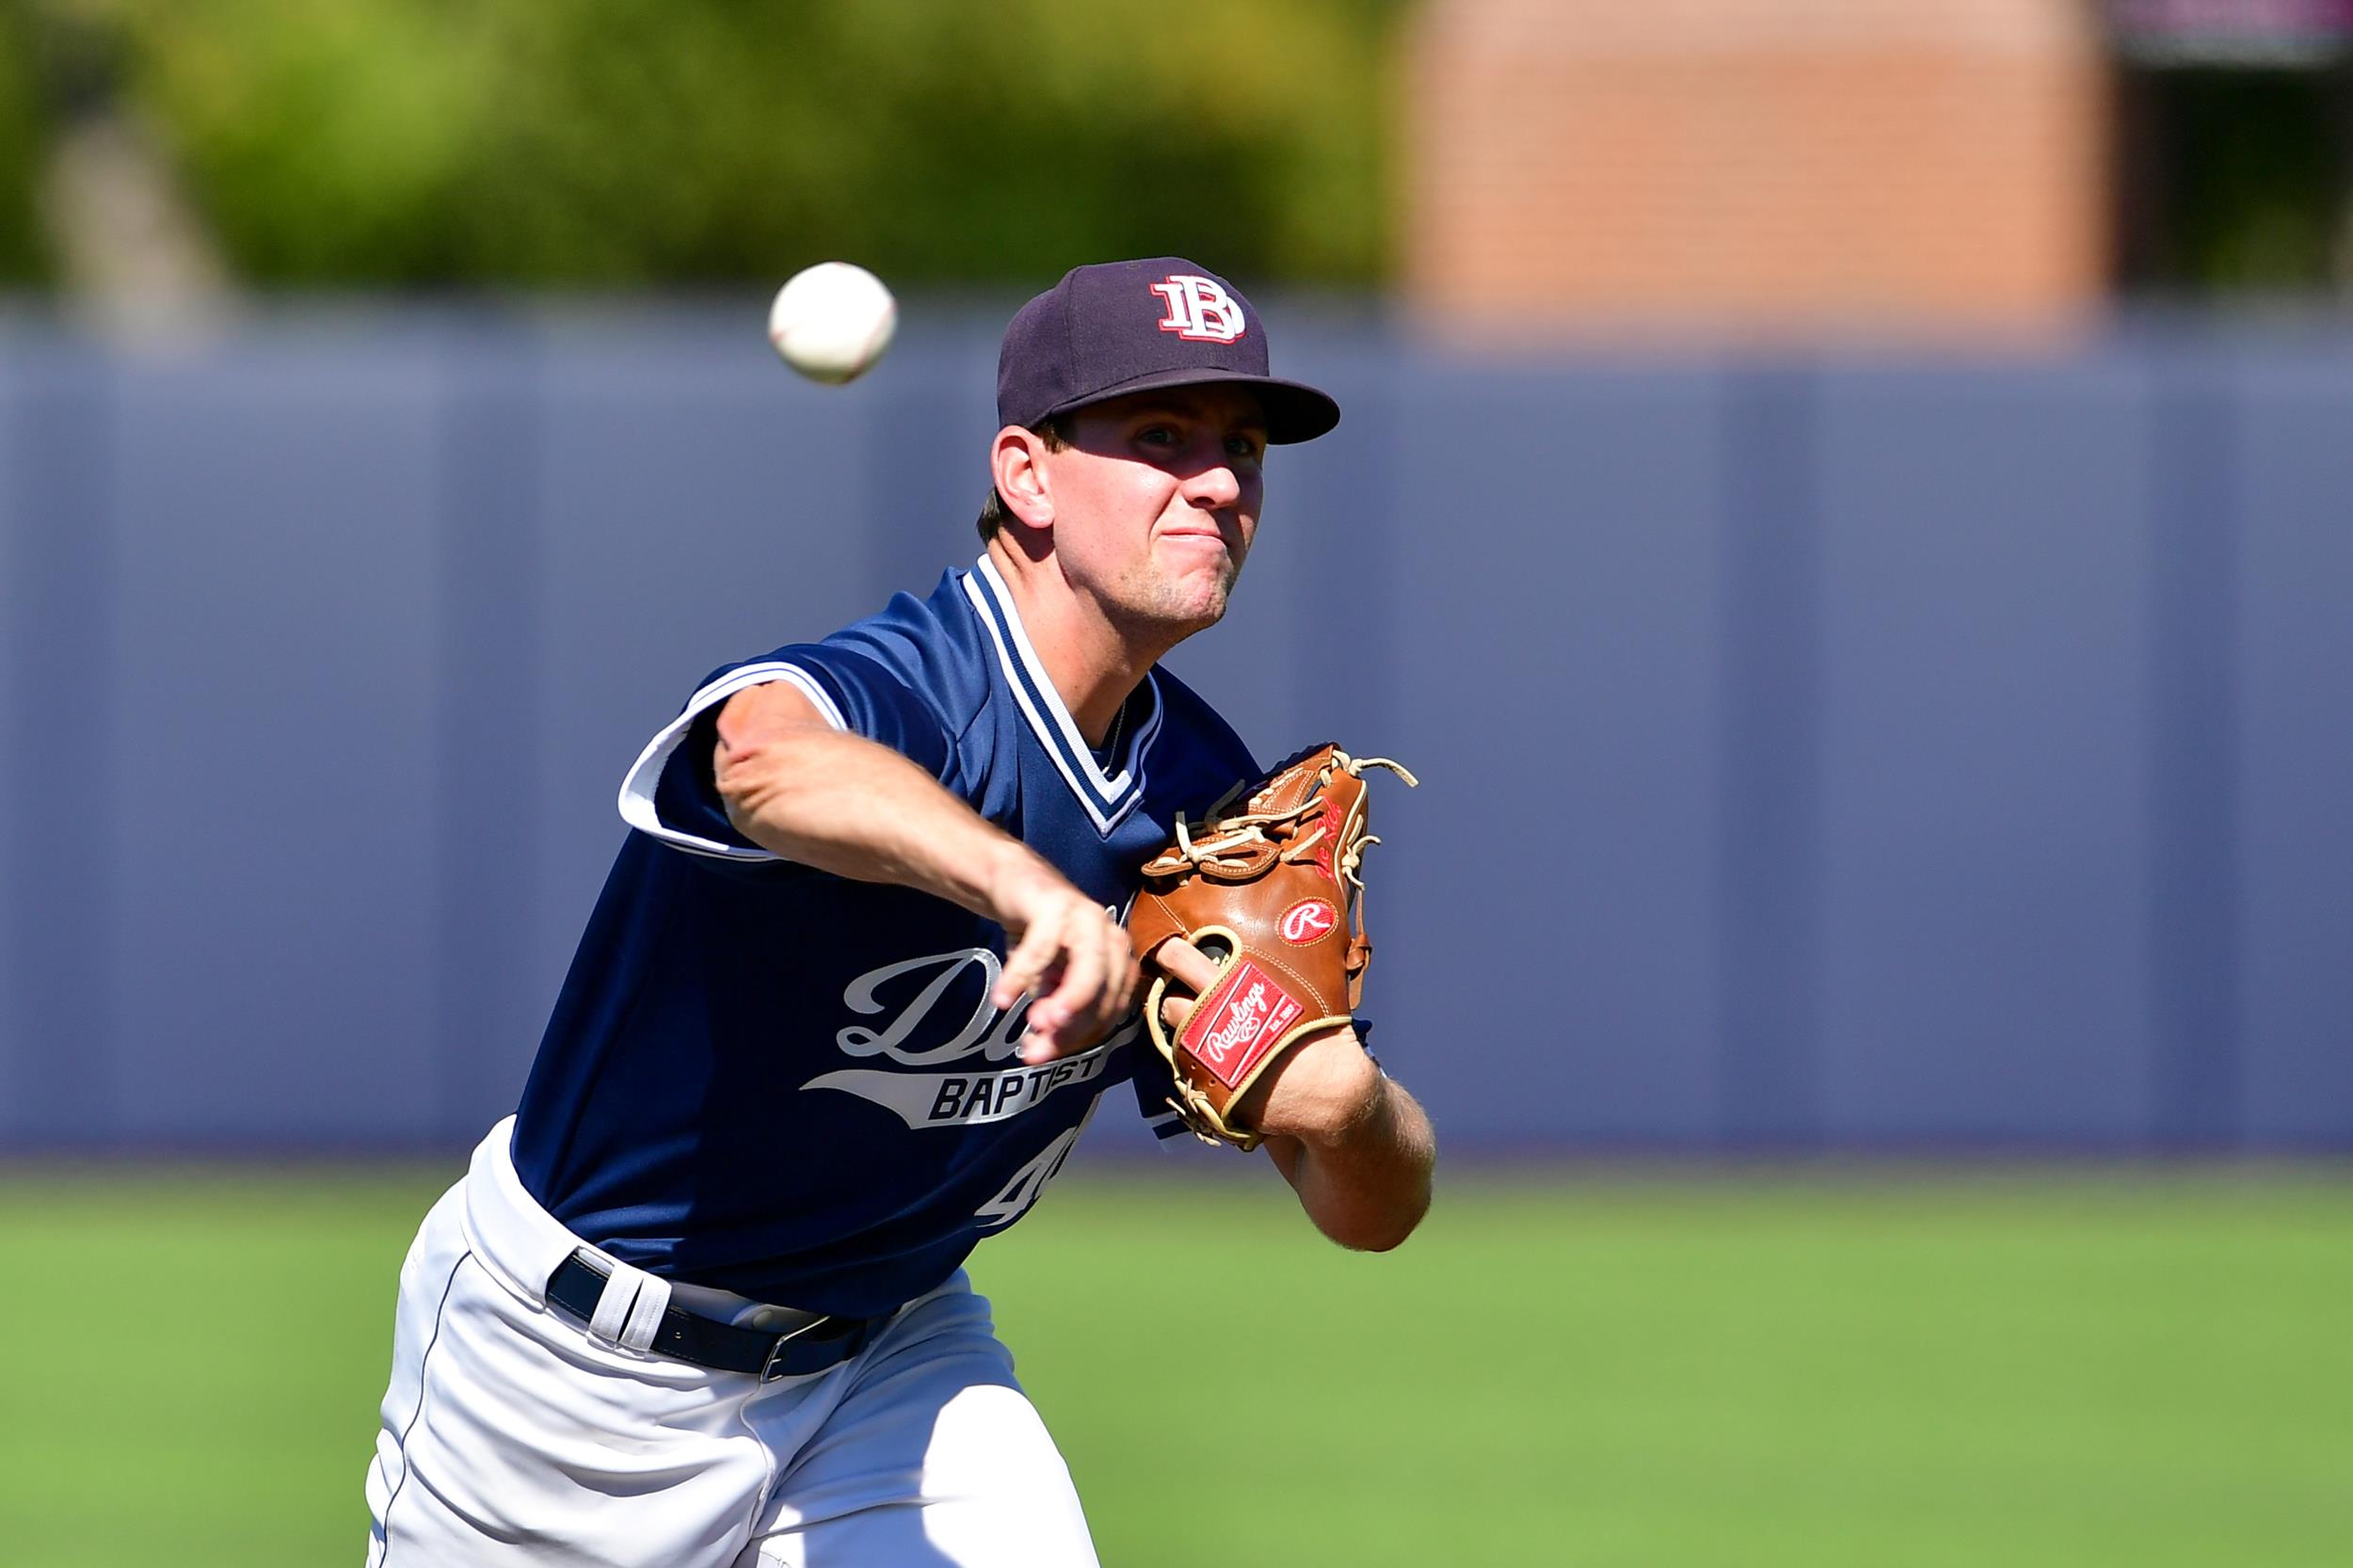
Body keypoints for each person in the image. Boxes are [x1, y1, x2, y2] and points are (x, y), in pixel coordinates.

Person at [362, 257, 1437, 1568]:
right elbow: (759, 758)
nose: (1219, 481)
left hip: (891, 1358)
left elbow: (1369, 1209)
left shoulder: (1203, 798)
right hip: (572, 1376)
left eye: (1244, 447)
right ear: (1028, 475)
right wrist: (1019, 882)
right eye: (1161, 438)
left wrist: (1350, 1103)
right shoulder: (922, 681)